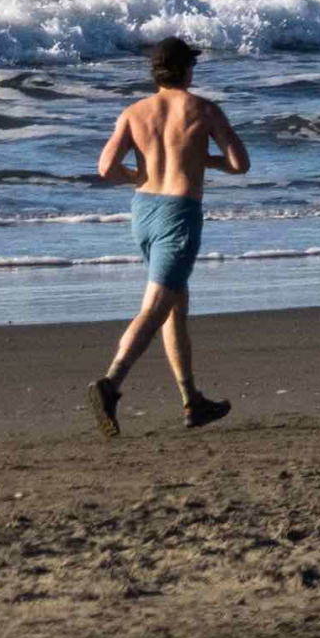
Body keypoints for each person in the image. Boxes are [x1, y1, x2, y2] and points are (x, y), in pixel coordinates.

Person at [91, 34, 248, 434]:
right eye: (192, 64)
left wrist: (137, 175)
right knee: (157, 308)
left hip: (143, 211)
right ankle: (111, 382)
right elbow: (239, 163)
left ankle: (192, 400)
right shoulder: (203, 109)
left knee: (174, 306)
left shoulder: (134, 112)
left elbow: (106, 168)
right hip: (179, 215)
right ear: (184, 70)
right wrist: (202, 160)